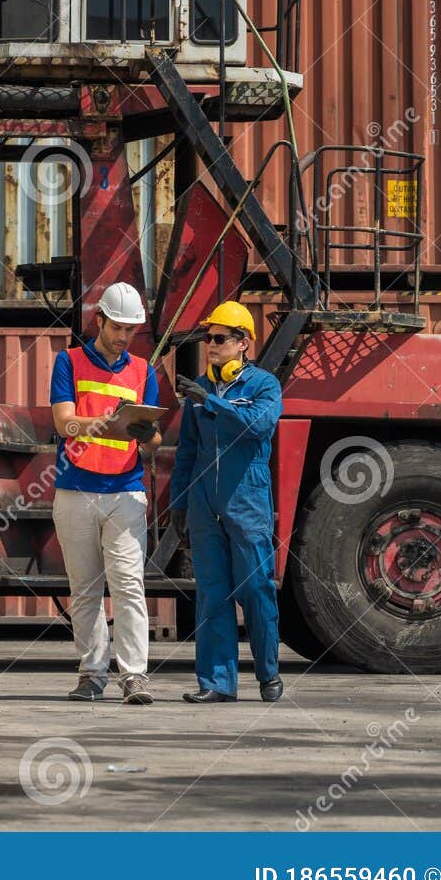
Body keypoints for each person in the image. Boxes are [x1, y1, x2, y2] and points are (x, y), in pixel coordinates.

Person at [49, 281, 162, 705]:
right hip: (76, 489)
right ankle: (92, 674)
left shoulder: (143, 371)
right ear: (100, 321)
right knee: (86, 588)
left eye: (131, 330)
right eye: (117, 327)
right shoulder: (69, 362)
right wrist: (95, 425)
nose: (124, 337)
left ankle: (134, 677)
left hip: (125, 490)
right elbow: (63, 423)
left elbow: (153, 442)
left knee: (129, 585)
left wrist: (144, 433)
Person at [166, 301, 284, 704]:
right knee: (212, 593)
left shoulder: (265, 386)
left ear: (244, 344)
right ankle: (217, 683)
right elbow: (188, 449)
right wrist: (178, 500)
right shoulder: (199, 390)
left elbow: (258, 425)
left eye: (219, 338)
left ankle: (268, 674)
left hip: (247, 500)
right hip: (204, 504)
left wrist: (211, 401)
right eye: (207, 338)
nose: (210, 345)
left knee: (255, 589)